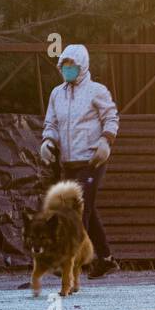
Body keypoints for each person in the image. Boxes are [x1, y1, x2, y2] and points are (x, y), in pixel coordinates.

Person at [40, 44, 120, 278]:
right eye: (64, 65)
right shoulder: (57, 94)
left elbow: (111, 118)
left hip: (92, 160)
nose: (67, 69)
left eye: (71, 65)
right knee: (88, 210)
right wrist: (48, 142)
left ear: (82, 66)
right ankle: (106, 259)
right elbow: (52, 124)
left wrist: (106, 141)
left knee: (76, 210)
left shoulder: (97, 91)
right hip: (68, 161)